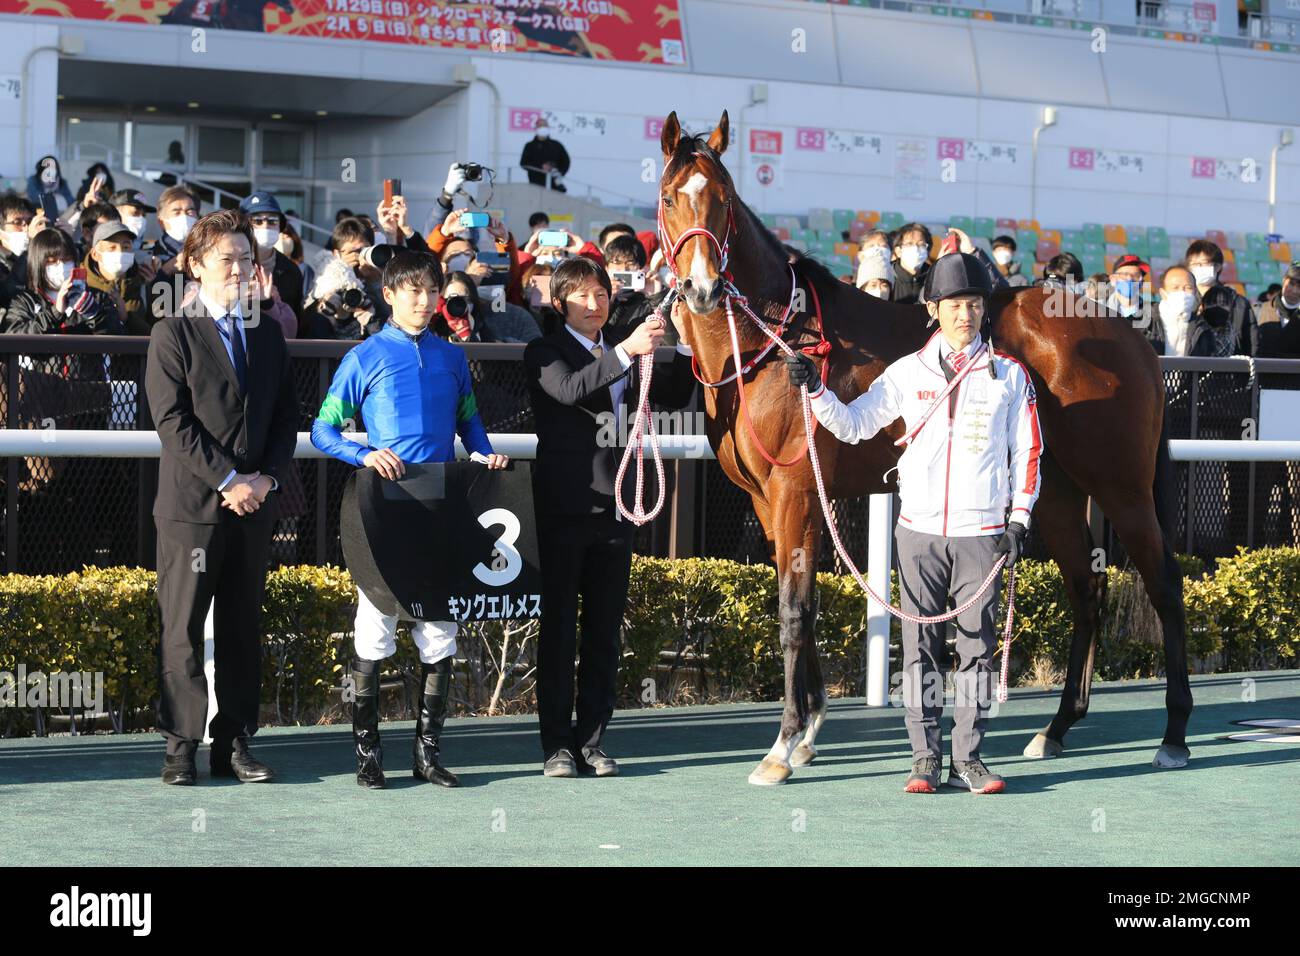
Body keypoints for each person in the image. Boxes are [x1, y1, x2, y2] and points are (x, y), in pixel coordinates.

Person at [786, 251, 1041, 794]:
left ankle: (969, 759)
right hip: (918, 529)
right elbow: (854, 426)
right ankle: (924, 759)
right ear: (933, 309)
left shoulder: (1011, 375)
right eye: (953, 304)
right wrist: (814, 388)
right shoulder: (906, 372)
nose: (964, 314)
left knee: (976, 648)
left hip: (982, 532)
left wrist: (1018, 520)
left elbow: (1028, 453)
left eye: (973, 303)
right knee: (919, 649)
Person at [311, 249, 508, 789]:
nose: (424, 302)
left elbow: (470, 425)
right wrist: (363, 454)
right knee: (375, 630)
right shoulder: (363, 356)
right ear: (391, 295)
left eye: (431, 291)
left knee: (440, 631)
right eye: (413, 292)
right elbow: (323, 431)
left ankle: (428, 754)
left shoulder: (452, 357)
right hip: (383, 509)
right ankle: (368, 756)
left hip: (443, 508)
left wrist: (485, 455)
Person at [144, 209, 299, 786]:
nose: (238, 268)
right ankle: (180, 744)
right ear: (195, 266)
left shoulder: (266, 333)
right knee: (181, 626)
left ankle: (234, 742)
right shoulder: (172, 332)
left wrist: (265, 481)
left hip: (254, 507)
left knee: (241, 626)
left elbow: (287, 417)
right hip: (192, 508)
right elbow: (172, 422)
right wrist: (230, 480)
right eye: (226, 258)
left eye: (245, 258)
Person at [524, 256, 696, 778]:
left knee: (604, 633)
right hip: (563, 507)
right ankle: (556, 745)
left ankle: (593, 742)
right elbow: (571, 391)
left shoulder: (628, 348)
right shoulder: (544, 351)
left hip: (618, 506)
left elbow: (677, 396)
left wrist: (678, 341)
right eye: (580, 296)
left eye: (601, 294)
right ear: (560, 304)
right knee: (557, 632)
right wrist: (626, 350)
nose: (593, 303)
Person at [0, 227, 119, 338]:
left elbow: (117, 342)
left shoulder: (97, 297)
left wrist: (94, 315)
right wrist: (55, 313)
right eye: (52, 262)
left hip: (86, 361)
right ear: (38, 265)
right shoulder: (25, 302)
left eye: (66, 260)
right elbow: (14, 336)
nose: (61, 266)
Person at [238, 191, 304, 323]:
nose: (265, 226)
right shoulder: (231, 265)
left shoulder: (291, 270)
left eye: (272, 220)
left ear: (281, 226)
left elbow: (296, 318)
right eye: (257, 221)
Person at [1186, 239, 1258, 357]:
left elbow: (1252, 343)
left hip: (1232, 370)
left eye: (1204, 263)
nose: (1199, 268)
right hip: (1193, 369)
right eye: (1194, 264)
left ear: (1218, 266)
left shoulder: (1238, 303)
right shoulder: (1185, 300)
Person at [83, 220, 154, 335]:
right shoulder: (82, 287)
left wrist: (127, 318)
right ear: (95, 254)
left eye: (126, 246)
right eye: (112, 247)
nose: (120, 252)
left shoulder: (144, 284)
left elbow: (157, 334)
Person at [433, 270, 540, 343]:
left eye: (466, 299)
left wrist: (465, 333)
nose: (459, 305)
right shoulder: (433, 327)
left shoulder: (486, 330)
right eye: (453, 300)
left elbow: (481, 371)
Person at [1145, 266, 1215, 356]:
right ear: (1163, 293)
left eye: (1188, 287)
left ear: (1194, 292)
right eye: (1175, 288)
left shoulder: (1203, 329)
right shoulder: (1144, 322)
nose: (1182, 292)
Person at [1, 193, 37, 306]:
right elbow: (8, 294)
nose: (25, 228)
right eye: (17, 222)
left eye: (29, 222)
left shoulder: (36, 256)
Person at [1258, 263, 1300, 357]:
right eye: (1291, 284)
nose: (1295, 291)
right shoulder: (1259, 310)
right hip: (1264, 369)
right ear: (1283, 280)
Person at [520, 118, 570, 191]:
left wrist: (560, 172)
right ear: (535, 128)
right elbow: (523, 163)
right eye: (540, 126)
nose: (543, 128)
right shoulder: (529, 146)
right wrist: (541, 167)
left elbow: (566, 161)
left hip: (554, 186)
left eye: (545, 126)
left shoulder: (556, 145)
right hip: (535, 184)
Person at [890, 222, 933, 304]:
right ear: (898, 251)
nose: (916, 248)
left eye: (921, 244)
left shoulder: (933, 277)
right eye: (909, 244)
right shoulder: (888, 277)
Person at [1105, 254, 1151, 324]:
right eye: (1124, 274)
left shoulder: (1154, 315)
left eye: (1136, 275)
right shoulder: (1099, 313)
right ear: (1113, 280)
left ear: (1142, 283)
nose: (1129, 279)